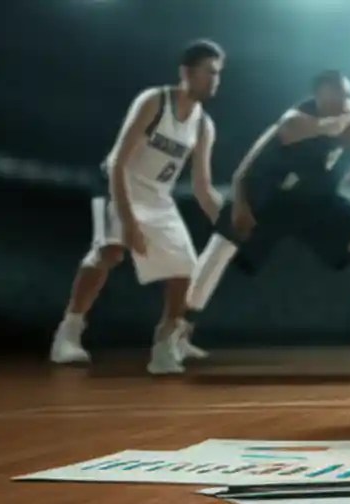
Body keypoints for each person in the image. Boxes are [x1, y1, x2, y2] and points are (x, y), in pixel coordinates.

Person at [182, 70, 350, 358]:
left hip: (317, 202)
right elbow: (245, 170)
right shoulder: (293, 121)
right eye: (336, 95)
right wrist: (241, 206)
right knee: (218, 251)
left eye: (346, 95)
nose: (343, 101)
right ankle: (179, 333)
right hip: (267, 199)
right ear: (318, 96)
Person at [49, 39, 225, 374]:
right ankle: (68, 333)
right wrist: (128, 221)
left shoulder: (204, 125)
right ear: (186, 72)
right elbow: (117, 163)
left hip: (157, 196)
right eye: (210, 72)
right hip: (117, 184)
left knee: (186, 271)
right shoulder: (154, 101)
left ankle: (165, 344)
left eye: (218, 74)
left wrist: (227, 225)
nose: (215, 80)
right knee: (111, 251)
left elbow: (203, 187)